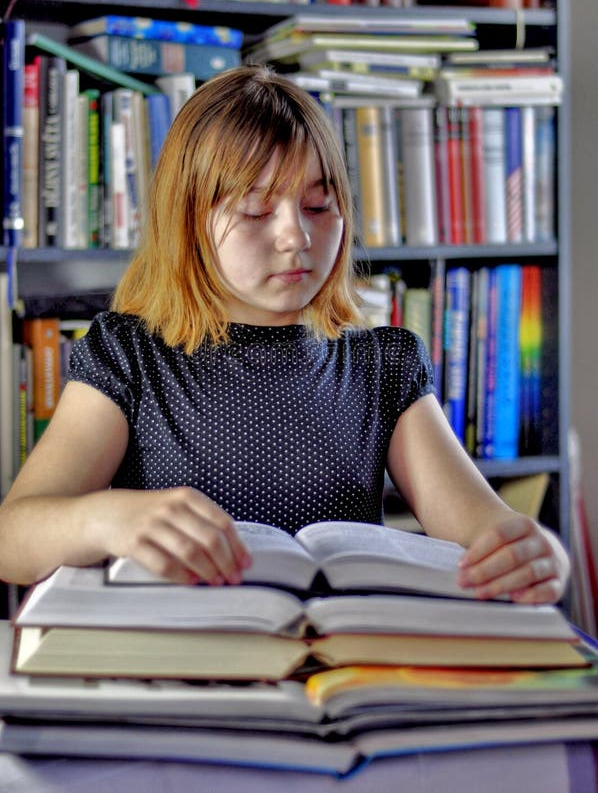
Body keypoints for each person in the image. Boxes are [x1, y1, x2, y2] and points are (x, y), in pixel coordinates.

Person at [0, 65, 569, 604]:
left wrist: (534, 553)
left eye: (318, 205)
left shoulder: (384, 366)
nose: (296, 236)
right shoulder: (129, 356)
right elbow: (12, 541)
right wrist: (104, 519)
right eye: (255, 210)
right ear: (188, 220)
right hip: (183, 659)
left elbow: (484, 530)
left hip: (341, 660)